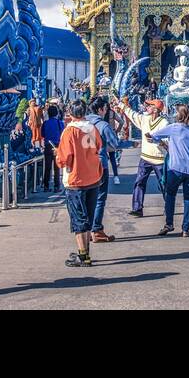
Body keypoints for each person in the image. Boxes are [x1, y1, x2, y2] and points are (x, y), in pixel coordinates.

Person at [56, 99, 103, 267]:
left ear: (70, 113)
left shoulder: (69, 132)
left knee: (78, 218)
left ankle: (83, 256)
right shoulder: (92, 128)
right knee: (88, 216)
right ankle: (86, 252)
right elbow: (98, 146)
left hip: (75, 178)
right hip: (93, 177)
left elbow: (64, 158)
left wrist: (58, 156)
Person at [147, 103, 189, 237]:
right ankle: (185, 229)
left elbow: (153, 136)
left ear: (179, 115)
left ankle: (169, 224)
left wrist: (152, 137)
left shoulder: (174, 128)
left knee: (170, 195)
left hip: (176, 169)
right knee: (188, 199)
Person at [118, 97, 168, 216]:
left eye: (150, 106)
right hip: (145, 157)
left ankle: (169, 206)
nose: (147, 107)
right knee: (139, 182)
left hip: (159, 159)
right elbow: (133, 114)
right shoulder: (145, 119)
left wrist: (157, 141)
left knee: (164, 184)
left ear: (156, 110)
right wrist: (121, 105)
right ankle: (137, 208)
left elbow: (167, 141)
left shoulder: (164, 123)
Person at [86, 96, 122, 243]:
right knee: (100, 198)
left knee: (87, 199)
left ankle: (86, 231)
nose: (106, 111)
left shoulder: (82, 122)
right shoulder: (103, 125)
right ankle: (97, 229)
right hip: (100, 164)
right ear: (100, 109)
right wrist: (131, 144)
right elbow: (115, 143)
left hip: (85, 164)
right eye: (105, 109)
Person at [41, 103, 65, 192]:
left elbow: (42, 134)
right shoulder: (60, 123)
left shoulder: (45, 123)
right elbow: (63, 134)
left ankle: (46, 186)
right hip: (57, 146)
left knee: (47, 167)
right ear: (56, 113)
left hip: (47, 145)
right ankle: (56, 186)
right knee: (57, 167)